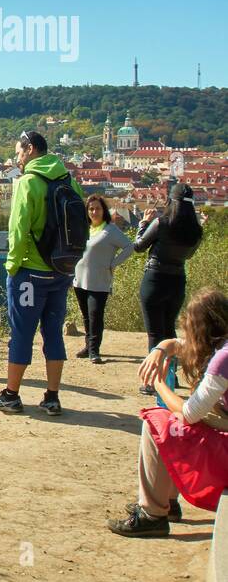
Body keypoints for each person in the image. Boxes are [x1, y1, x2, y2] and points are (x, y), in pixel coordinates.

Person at [107, 288, 228, 537]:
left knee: (158, 422)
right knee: (172, 423)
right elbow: (177, 344)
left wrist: (159, 384)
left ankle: (152, 514)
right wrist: (161, 349)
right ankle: (167, 502)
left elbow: (190, 412)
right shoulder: (223, 346)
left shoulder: (223, 358)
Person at [0, 131, 84, 416]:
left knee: (21, 334)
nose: (17, 157)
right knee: (53, 333)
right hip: (62, 270)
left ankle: (12, 394)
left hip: (30, 271)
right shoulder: (69, 181)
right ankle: (52, 396)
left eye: (18, 151)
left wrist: (12, 266)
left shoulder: (28, 182)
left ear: (29, 150)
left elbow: (18, 229)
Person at [135, 183, 204, 395]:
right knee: (168, 330)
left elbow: (138, 246)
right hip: (177, 281)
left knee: (155, 333)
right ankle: (170, 377)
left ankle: (153, 382)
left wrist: (143, 223)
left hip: (155, 279)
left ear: (170, 200)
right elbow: (189, 255)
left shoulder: (162, 222)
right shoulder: (195, 230)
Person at [72, 194, 134, 363]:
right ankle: (88, 346)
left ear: (103, 210)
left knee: (95, 315)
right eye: (91, 209)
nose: (94, 212)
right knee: (86, 315)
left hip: (99, 280)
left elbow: (129, 247)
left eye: (97, 208)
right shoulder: (85, 228)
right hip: (79, 278)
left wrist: (113, 263)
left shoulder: (111, 230)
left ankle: (94, 350)